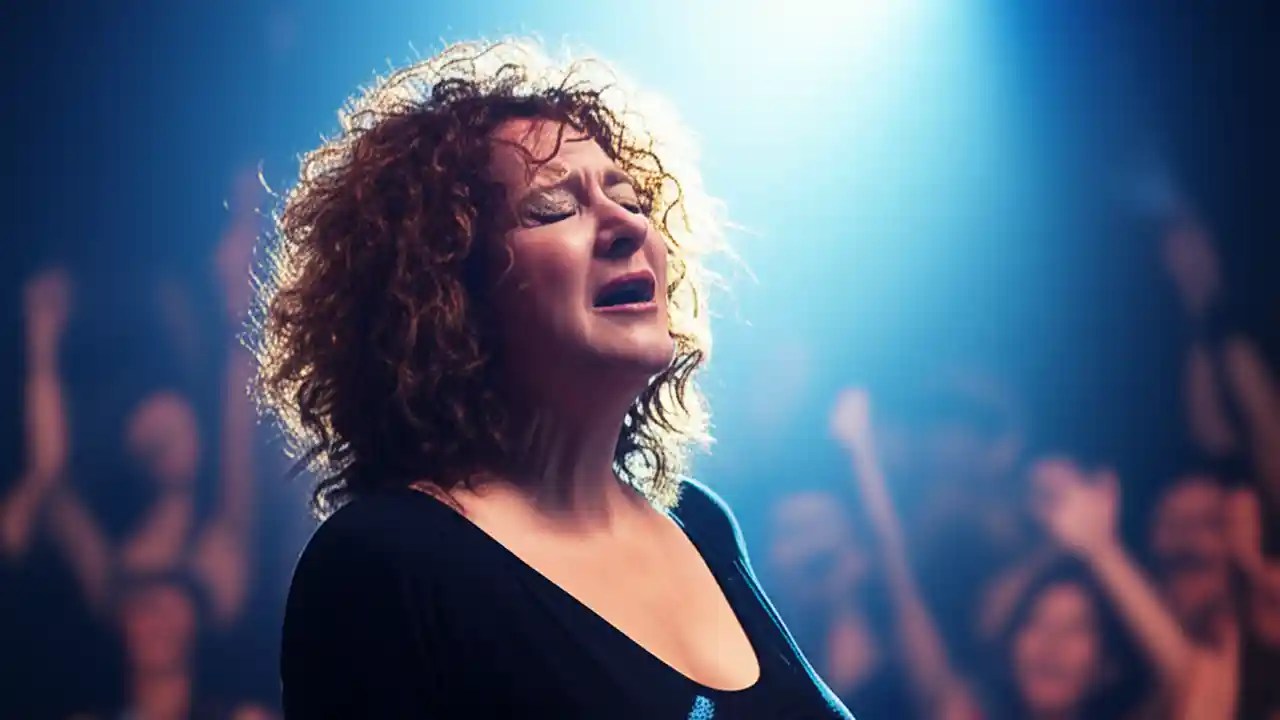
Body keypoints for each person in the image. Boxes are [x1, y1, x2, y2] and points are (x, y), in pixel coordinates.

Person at [262, 40, 852, 718]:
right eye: (553, 209)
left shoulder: (700, 523)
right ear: (450, 291)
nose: (626, 224)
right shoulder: (384, 564)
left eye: (630, 199)